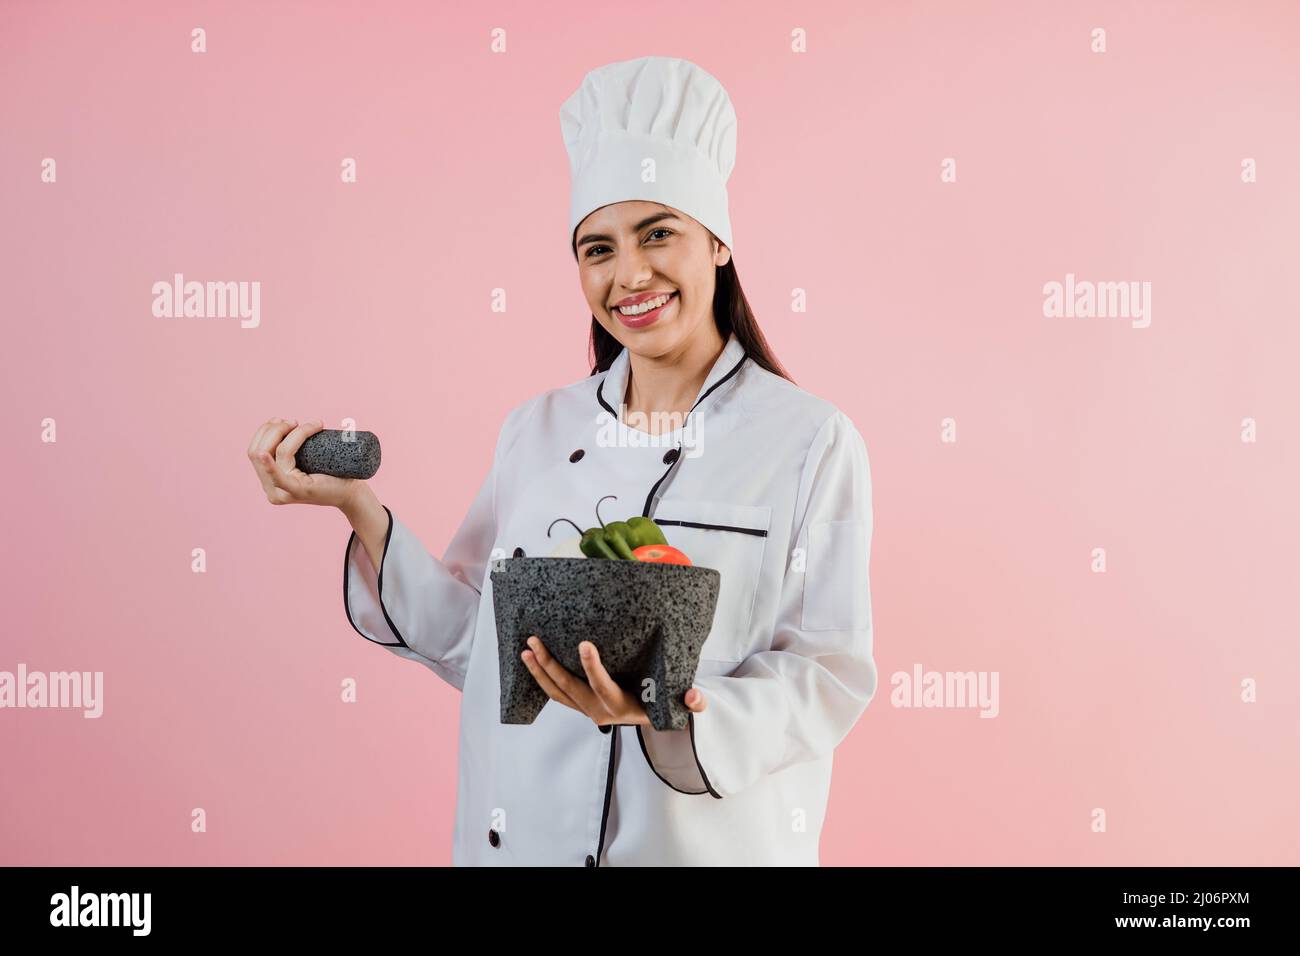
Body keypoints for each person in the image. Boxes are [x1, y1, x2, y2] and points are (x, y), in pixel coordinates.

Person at [246, 56, 876, 866]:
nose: (629, 276)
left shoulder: (809, 440)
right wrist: (355, 507)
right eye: (598, 249)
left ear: (718, 244)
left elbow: (827, 673)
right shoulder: (537, 428)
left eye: (658, 234)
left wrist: (665, 715)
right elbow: (481, 641)